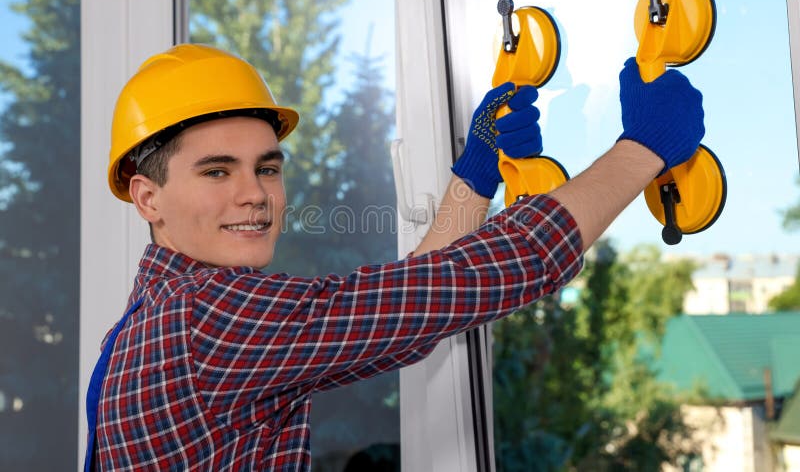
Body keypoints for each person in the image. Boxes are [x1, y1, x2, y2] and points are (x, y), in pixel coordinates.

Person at [84, 44, 704, 471]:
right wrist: (642, 148)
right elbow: (491, 273)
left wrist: (475, 174)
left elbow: (405, 309)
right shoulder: (210, 321)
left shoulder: (155, 317)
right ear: (148, 197)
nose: (255, 194)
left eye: (266, 168)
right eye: (217, 170)